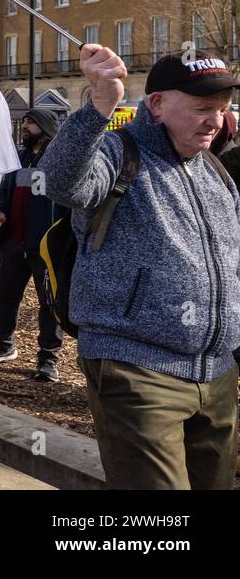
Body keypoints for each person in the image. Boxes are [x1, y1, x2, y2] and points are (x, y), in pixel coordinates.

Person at [37, 46, 240, 490]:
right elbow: (57, 182)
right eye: (203, 108)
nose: (216, 121)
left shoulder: (215, 172)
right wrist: (98, 105)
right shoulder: (118, 151)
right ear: (157, 104)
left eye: (222, 110)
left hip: (218, 373)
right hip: (137, 369)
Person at [0, 108, 70, 381]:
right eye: (26, 121)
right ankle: (3, 346)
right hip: (13, 241)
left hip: (44, 245)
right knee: (6, 297)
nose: (26, 126)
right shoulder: (20, 155)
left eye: (31, 122)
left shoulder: (60, 156)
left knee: (49, 303)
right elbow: (6, 189)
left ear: (45, 125)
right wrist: (1, 208)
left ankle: (48, 359)